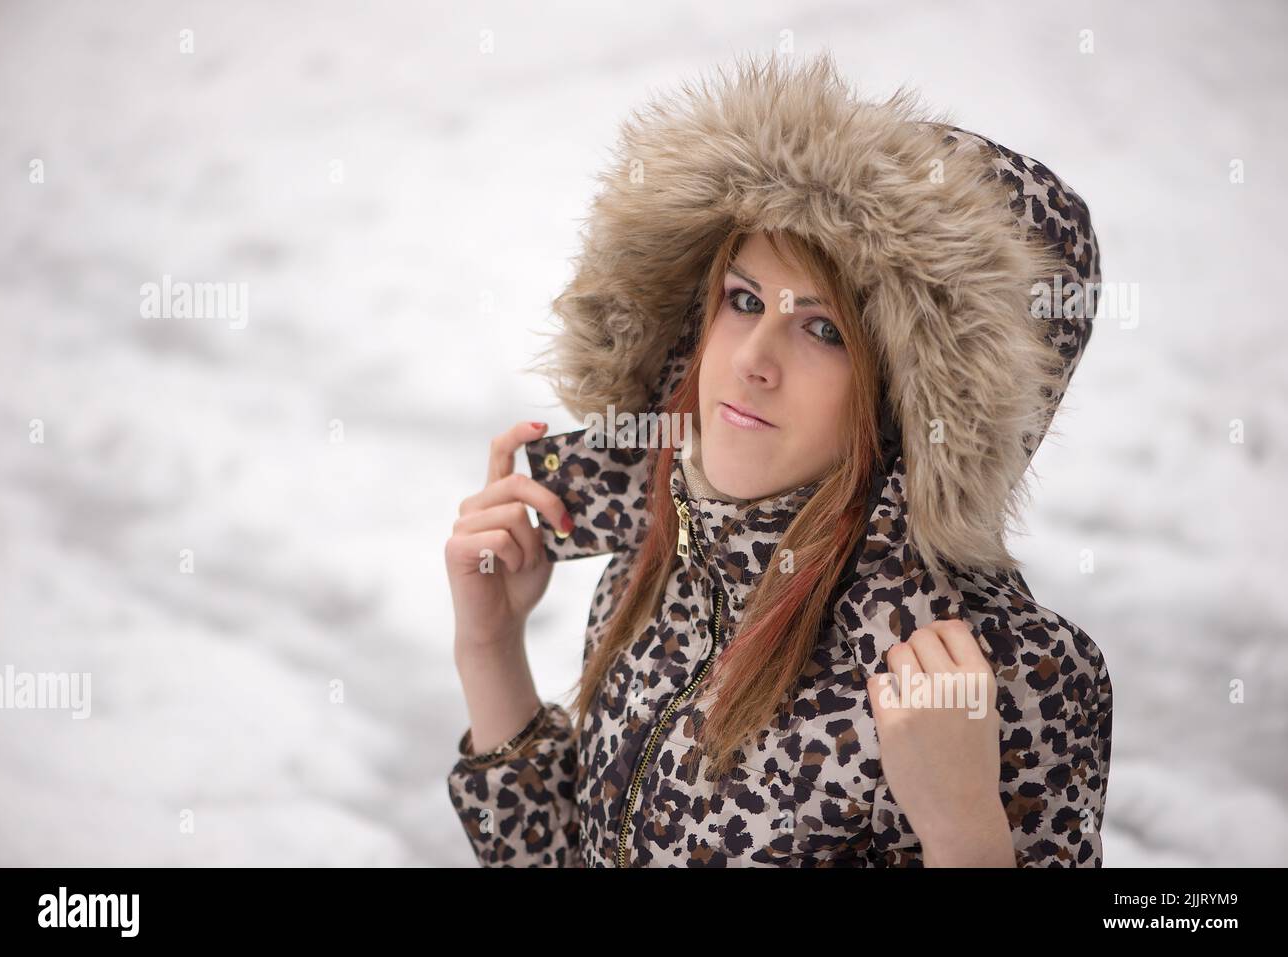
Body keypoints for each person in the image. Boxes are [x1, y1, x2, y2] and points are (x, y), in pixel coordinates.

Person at [444, 51, 1111, 867]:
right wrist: (489, 646)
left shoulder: (996, 673)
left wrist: (964, 831)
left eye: (823, 329)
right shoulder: (661, 563)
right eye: (746, 299)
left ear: (914, 401)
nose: (753, 358)